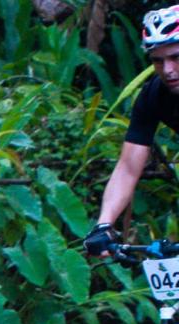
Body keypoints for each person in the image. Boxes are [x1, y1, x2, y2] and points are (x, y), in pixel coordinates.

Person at [85, 5, 179, 256]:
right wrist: (104, 225)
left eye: (176, 57)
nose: (168, 70)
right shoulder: (154, 96)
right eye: (157, 60)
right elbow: (128, 167)